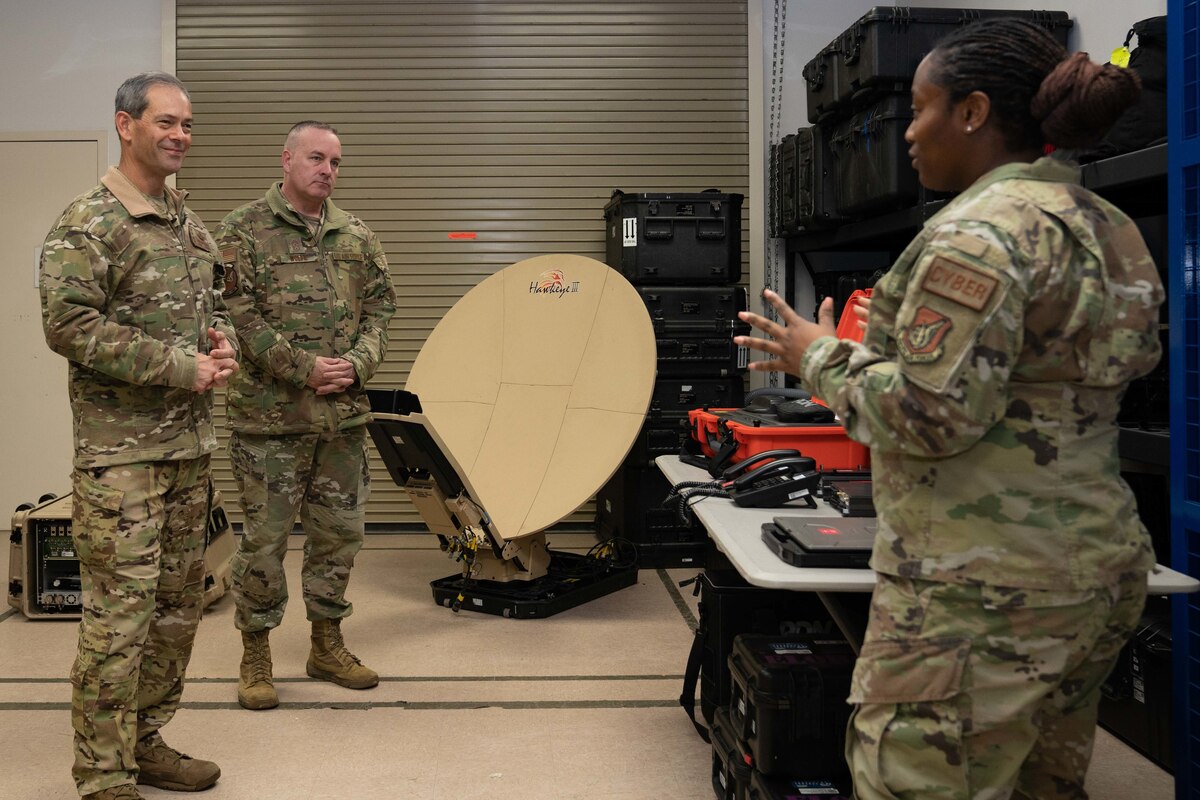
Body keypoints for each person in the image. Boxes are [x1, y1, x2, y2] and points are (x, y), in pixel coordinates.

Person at [737, 19, 1163, 800]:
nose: (908, 132)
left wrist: (817, 356)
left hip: (980, 596)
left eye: (921, 108)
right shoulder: (1111, 228)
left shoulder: (975, 236)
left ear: (972, 114)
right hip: (1096, 573)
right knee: (1046, 784)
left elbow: (929, 417)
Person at [40, 72, 239, 800]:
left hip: (188, 453)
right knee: (118, 619)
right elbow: (68, 325)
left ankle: (146, 741)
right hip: (121, 462)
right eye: (165, 121)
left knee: (176, 613)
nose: (180, 134)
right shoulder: (90, 221)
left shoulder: (187, 221)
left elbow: (208, 313)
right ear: (126, 125)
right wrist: (178, 367)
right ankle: (102, 771)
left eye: (188, 123)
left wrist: (220, 348)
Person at [216, 121, 397, 711]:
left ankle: (326, 644)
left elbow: (381, 311)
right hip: (270, 423)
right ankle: (257, 652)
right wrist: (302, 368)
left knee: (338, 538)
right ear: (287, 158)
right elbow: (234, 316)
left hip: (341, 421)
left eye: (337, 162)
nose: (328, 170)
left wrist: (359, 363)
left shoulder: (357, 236)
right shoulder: (242, 230)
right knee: (264, 544)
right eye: (317, 158)